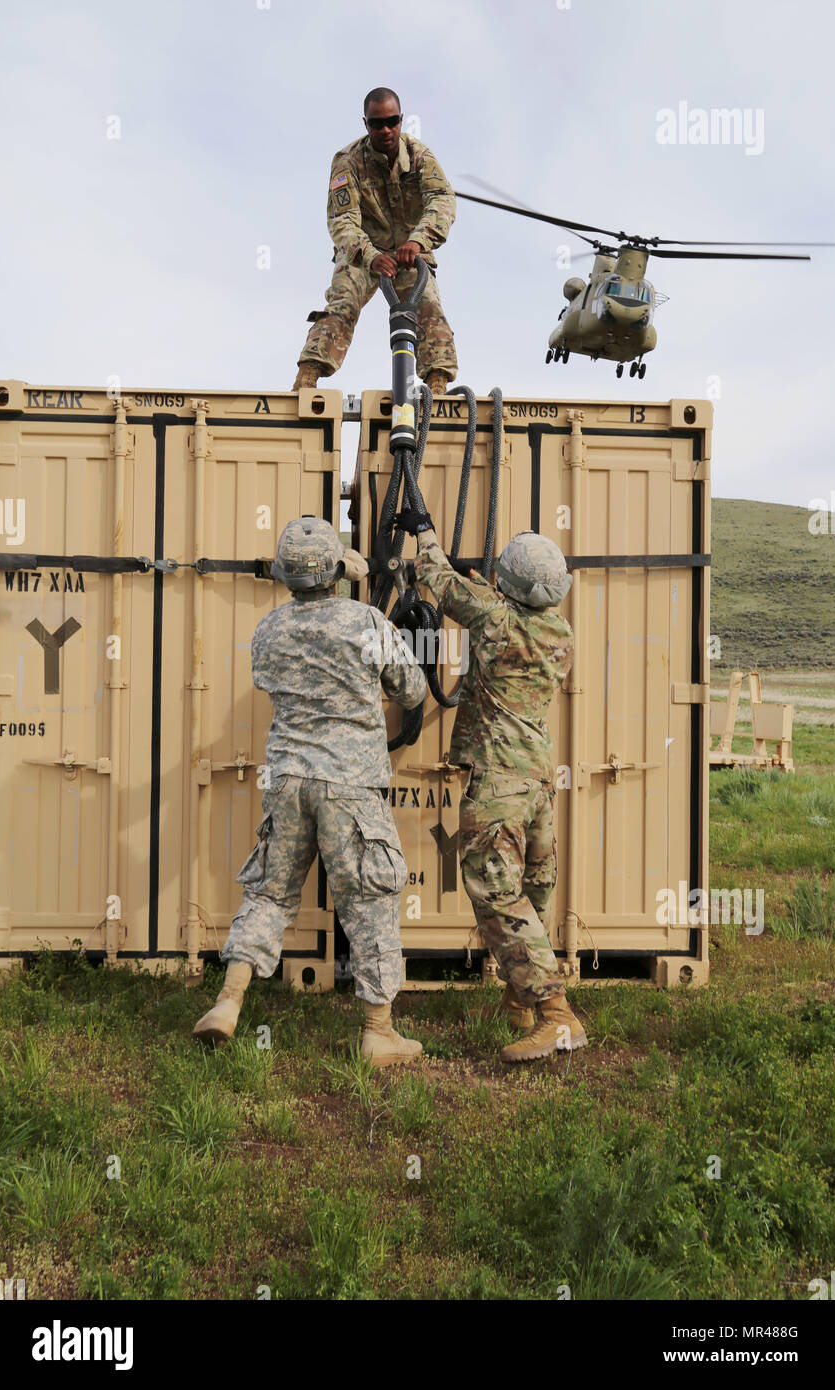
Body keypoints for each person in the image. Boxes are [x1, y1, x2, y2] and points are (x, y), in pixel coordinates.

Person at [193, 517, 426, 1066]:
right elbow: (413, 689)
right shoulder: (366, 622)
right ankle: (378, 1033)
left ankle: (228, 1002)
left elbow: (268, 680)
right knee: (369, 900)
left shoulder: (269, 630)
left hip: (288, 781)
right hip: (350, 785)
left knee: (269, 894)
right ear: (337, 570)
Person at [400, 508, 589, 1062]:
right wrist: (494, 591)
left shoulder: (494, 617)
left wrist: (424, 530)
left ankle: (556, 1015)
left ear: (506, 585)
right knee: (535, 887)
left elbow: (435, 577)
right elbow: (500, 609)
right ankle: (519, 1000)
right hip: (537, 779)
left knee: (495, 890)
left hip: (500, 780)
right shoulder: (560, 633)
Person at [292, 86, 457, 397]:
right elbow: (342, 220)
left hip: (409, 252)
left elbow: (442, 201)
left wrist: (417, 242)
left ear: (401, 120)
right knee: (342, 302)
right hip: (363, 253)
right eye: (377, 124)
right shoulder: (348, 162)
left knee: (428, 304)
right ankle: (307, 378)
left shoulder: (420, 157)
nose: (385, 130)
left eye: (392, 122)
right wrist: (369, 255)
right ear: (365, 124)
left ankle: (438, 384)